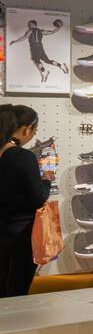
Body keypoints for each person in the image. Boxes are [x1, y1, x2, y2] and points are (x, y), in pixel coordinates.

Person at [0, 104, 53, 297]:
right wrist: (47, 181)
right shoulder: (23, 157)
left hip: (3, 232)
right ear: (27, 129)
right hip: (21, 235)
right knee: (16, 290)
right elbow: (38, 198)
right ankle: (15, 327)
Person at [10, 19, 69, 84]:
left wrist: (15, 41)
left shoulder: (30, 31)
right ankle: (61, 66)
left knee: (36, 60)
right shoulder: (41, 31)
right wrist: (59, 27)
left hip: (34, 48)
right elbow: (52, 32)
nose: (28, 25)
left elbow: (24, 37)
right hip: (40, 48)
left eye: (29, 24)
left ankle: (44, 72)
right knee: (46, 61)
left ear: (33, 24)